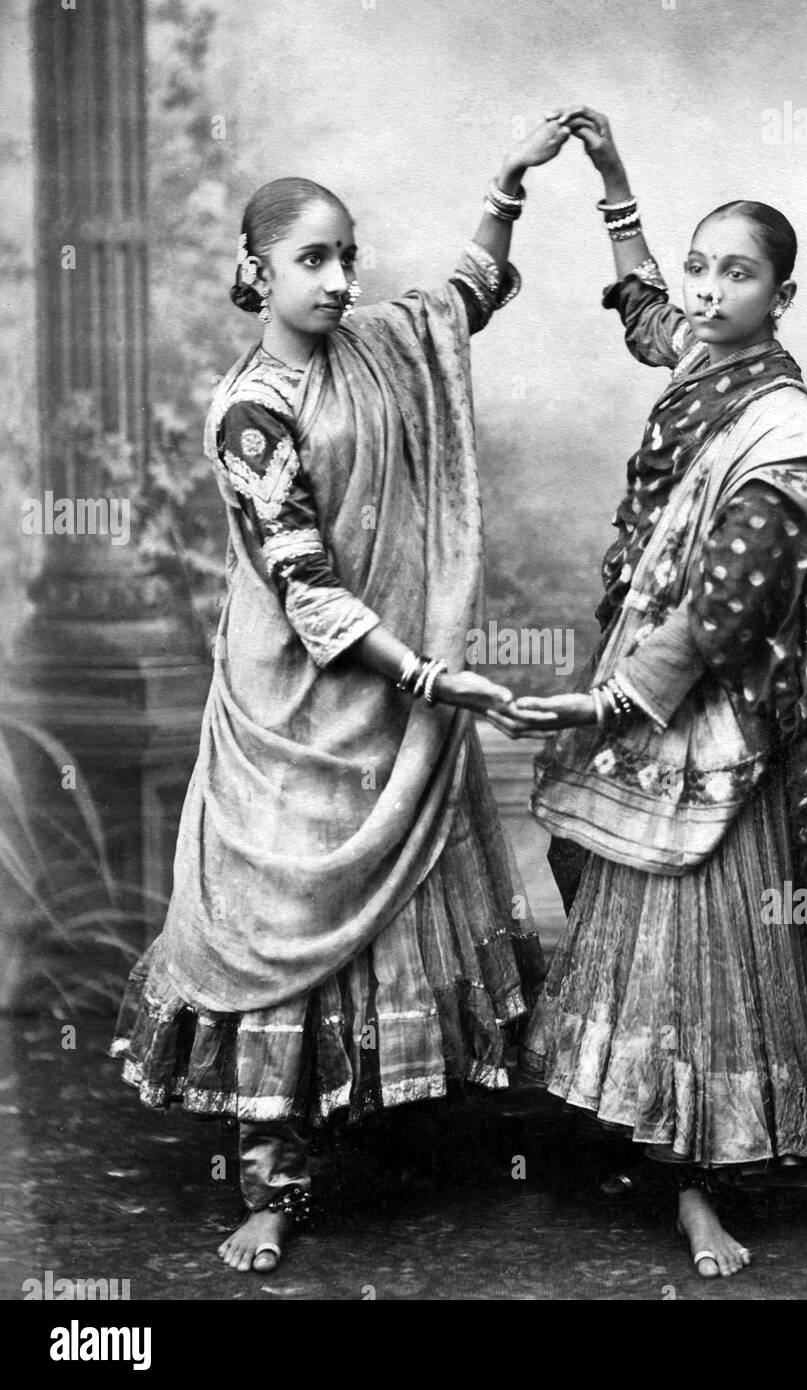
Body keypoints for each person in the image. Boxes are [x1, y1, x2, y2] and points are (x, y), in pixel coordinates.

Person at [110, 115, 571, 1274]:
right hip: (298, 705)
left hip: (389, 701)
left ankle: (377, 1132)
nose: (338, 280)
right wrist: (431, 674)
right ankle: (270, 1186)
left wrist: (504, 187)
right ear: (257, 270)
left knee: (383, 931)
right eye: (312, 260)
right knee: (281, 930)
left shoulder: (376, 347)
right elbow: (307, 593)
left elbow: (462, 300)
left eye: (347, 257)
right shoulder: (250, 413)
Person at [490, 106, 807, 1279]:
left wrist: (604, 707)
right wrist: (613, 176)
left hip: (717, 721)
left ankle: (704, 1187)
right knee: (643, 946)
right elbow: (645, 315)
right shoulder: (703, 364)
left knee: (714, 949)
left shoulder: (782, 435)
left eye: (735, 274)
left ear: (780, 298)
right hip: (652, 697)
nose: (702, 290)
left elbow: (718, 615)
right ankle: (658, 1152)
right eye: (700, 266)